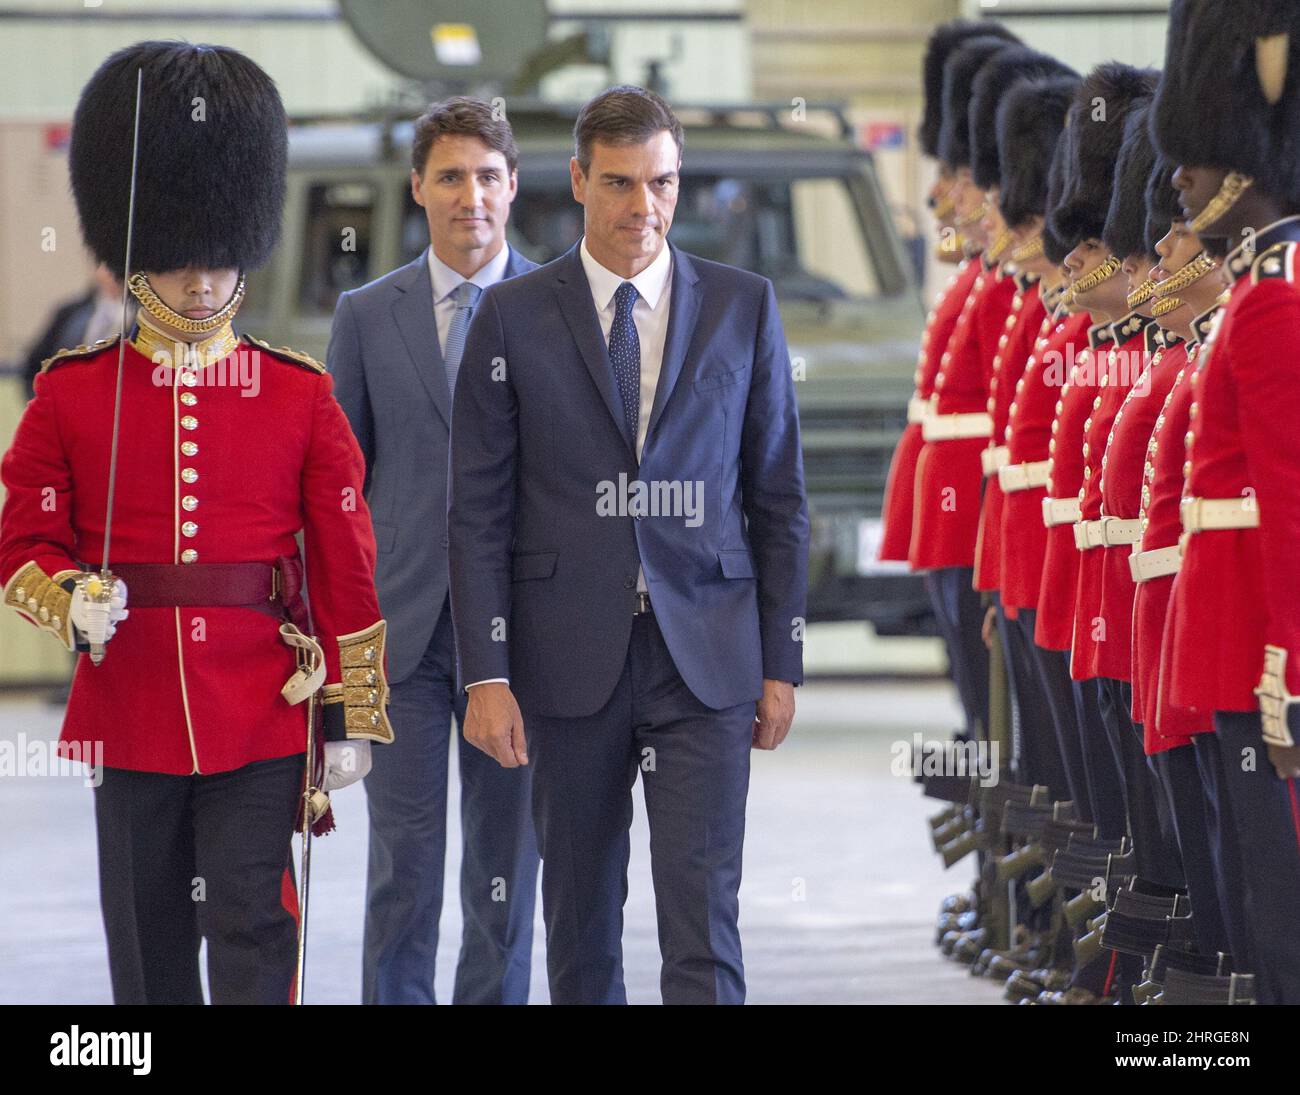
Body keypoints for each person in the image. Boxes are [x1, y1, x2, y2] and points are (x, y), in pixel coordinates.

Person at [0, 40, 391, 1005]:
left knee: (257, 923)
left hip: (262, 707)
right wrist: (64, 605)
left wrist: (351, 710)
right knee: (146, 937)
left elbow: (346, 564)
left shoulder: (300, 395)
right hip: (128, 704)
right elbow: (23, 546)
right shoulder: (70, 397)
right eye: (180, 260)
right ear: (136, 258)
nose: (204, 281)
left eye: (221, 257)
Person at [448, 85, 808, 1005]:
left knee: (702, 923)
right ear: (576, 180)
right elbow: (479, 511)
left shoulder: (744, 306)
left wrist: (784, 658)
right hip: (564, 663)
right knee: (579, 928)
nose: (641, 208)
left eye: (661, 184)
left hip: (709, 661)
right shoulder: (512, 317)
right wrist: (485, 672)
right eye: (618, 183)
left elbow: (777, 497)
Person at [327, 96, 539, 1006]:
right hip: (399, 636)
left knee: (506, 870)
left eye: (488, 176)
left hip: (520, 641)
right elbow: (338, 492)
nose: (470, 196)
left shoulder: (556, 309)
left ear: (515, 186)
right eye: (449, 176)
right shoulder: (367, 316)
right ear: (417, 187)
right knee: (402, 867)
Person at [1151, 0, 1300, 1005]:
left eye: (1197, 161)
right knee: (1250, 878)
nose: (1179, 179)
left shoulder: (1273, 300)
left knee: (1272, 891)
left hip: (1256, 639)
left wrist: (1284, 662)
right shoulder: (1254, 294)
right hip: (1222, 626)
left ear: (1244, 166)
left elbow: (1289, 499)